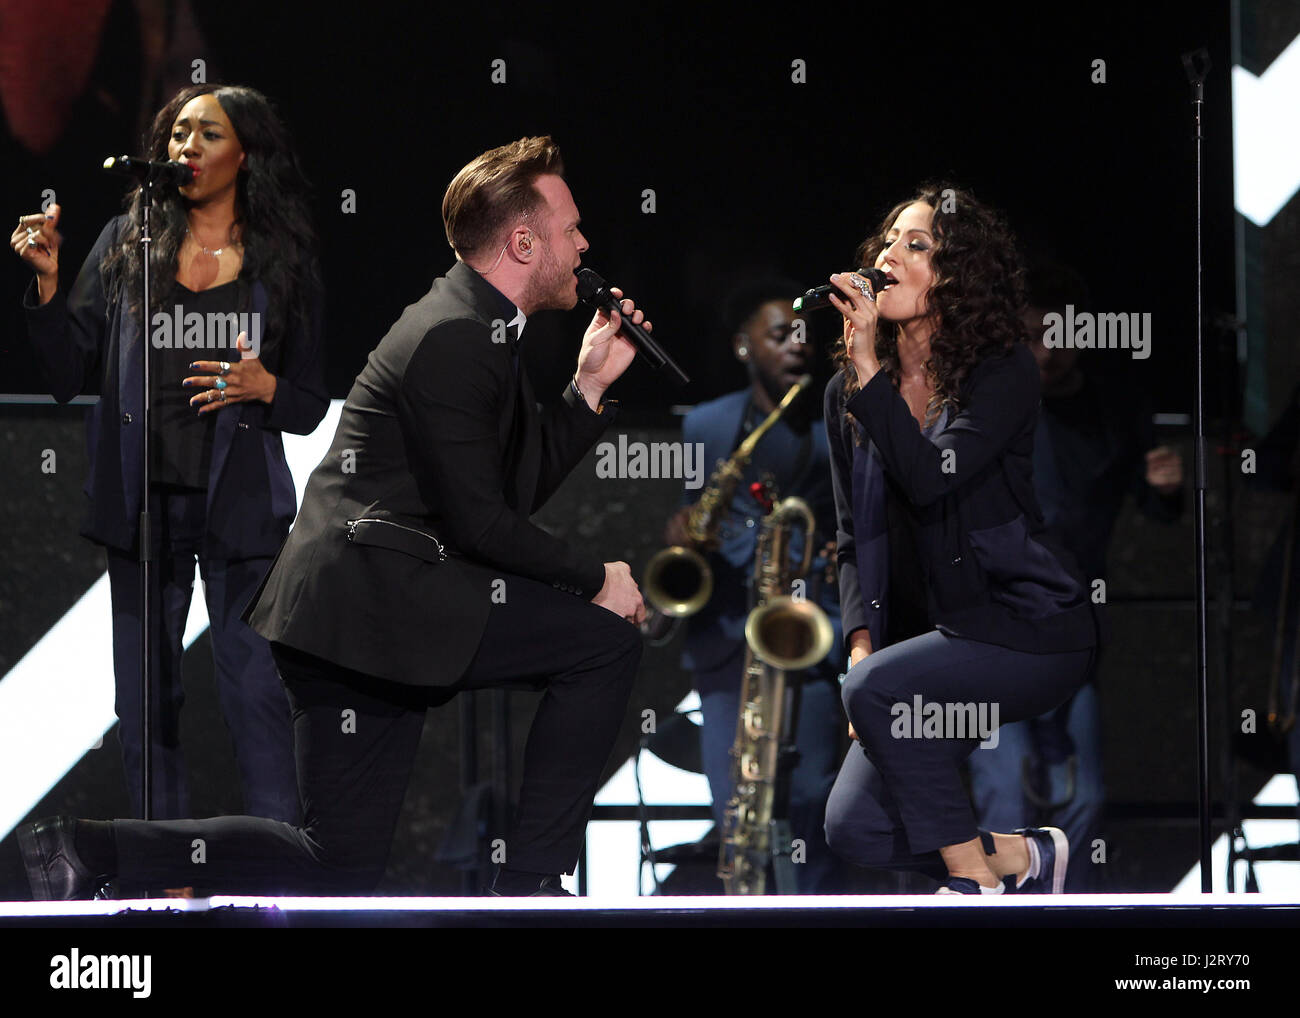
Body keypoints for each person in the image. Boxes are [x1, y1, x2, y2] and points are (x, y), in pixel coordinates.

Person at [18, 135, 648, 899]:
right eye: (571, 229)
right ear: (523, 241)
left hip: (354, 616)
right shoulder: (455, 336)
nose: (584, 244)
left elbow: (502, 497)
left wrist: (584, 394)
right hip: (376, 604)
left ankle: (87, 852)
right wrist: (596, 579)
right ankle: (531, 886)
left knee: (335, 864)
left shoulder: (482, 327)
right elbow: (483, 525)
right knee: (602, 644)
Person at [10, 84, 327, 826]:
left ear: (244, 153)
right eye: (178, 132)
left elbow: (309, 403)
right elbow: (66, 377)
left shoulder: (283, 261)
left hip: (241, 511)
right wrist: (49, 285)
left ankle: (277, 865)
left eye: (208, 134)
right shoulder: (128, 243)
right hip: (142, 505)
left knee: (252, 690)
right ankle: (164, 873)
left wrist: (264, 385)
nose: (187, 145)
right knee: (146, 697)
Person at [820, 185, 1106, 894]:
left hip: (1026, 630)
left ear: (959, 278)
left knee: (876, 690)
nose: (891, 254)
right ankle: (1020, 857)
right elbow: (852, 536)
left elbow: (929, 478)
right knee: (853, 826)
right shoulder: (846, 396)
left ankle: (972, 886)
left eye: (917, 245)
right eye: (889, 240)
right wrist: (862, 643)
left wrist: (866, 371)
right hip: (925, 654)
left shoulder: (999, 373)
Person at [966, 262, 1184, 891]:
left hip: (1074, 630)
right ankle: (997, 905)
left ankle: (1049, 900)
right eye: (1032, 335)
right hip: (996, 629)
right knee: (1004, 786)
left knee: (1083, 795)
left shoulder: (1116, 409)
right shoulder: (992, 405)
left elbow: (1153, 502)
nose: (1048, 350)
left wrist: (1166, 486)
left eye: (1059, 334)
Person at [663, 279, 849, 892]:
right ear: (745, 347)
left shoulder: (838, 421)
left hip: (806, 631)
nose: (797, 344)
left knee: (814, 808)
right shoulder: (706, 425)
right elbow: (686, 516)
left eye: (804, 334)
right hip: (725, 636)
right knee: (735, 813)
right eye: (779, 334)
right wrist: (684, 533)